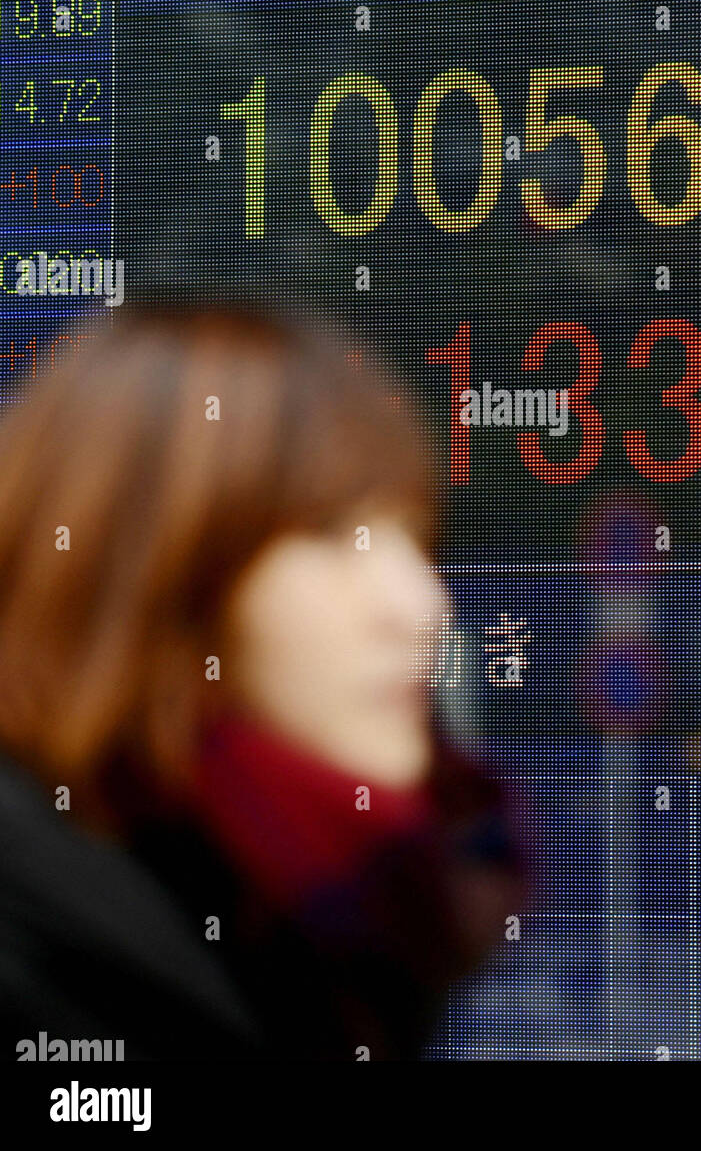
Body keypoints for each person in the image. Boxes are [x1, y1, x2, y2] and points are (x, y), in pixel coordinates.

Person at [0, 300, 530, 1061]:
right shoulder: (54, 971)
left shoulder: (301, 917)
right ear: (152, 571)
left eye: (416, 539)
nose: (423, 605)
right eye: (332, 537)